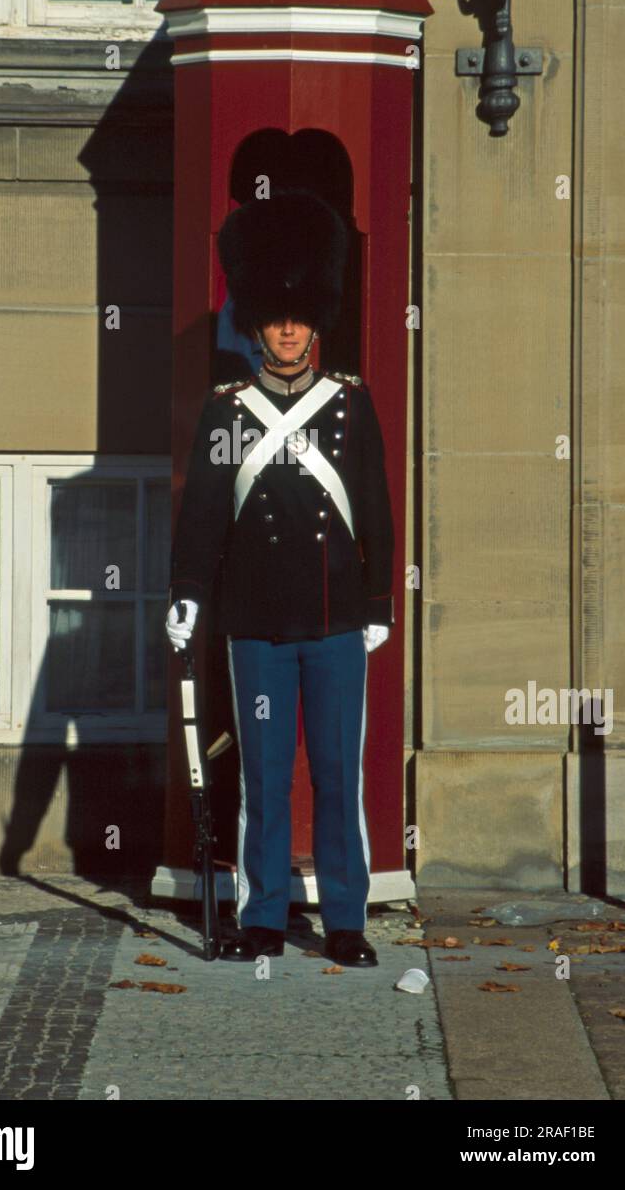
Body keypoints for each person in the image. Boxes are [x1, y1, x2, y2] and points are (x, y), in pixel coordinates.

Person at [165, 189, 394, 967]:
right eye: (274, 315)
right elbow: (203, 515)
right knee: (262, 780)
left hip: (333, 624)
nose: (288, 328)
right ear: (257, 322)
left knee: (337, 778)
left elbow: (374, 511)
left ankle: (347, 922)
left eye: (298, 315)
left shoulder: (351, 407)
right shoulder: (227, 411)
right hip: (255, 623)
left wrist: (379, 602)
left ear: (314, 320)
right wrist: (187, 595)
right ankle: (260, 914)